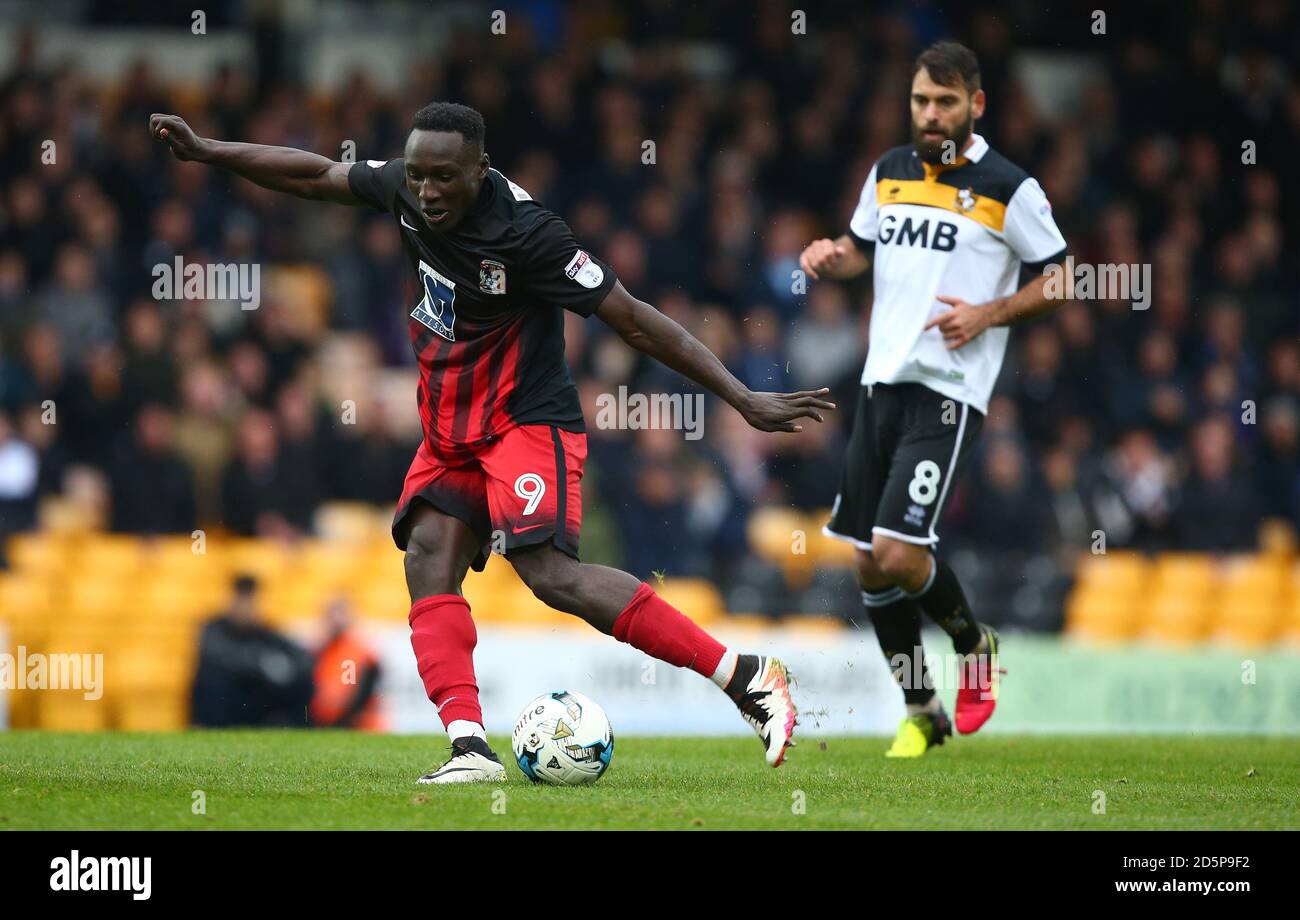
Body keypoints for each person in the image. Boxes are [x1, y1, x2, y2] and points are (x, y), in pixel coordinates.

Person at [152, 102, 833, 782]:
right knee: (426, 556)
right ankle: (470, 748)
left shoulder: (531, 234)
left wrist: (741, 396)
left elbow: (634, 320)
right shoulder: (409, 187)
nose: (427, 192)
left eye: (444, 178)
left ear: (481, 169)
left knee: (550, 577)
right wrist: (210, 149)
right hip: (451, 427)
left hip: (525, 422)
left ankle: (746, 677)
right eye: (418, 176)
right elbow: (317, 175)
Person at [799, 42, 1068, 757]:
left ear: (976, 105)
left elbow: (1062, 279)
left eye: (946, 102)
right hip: (880, 383)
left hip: (949, 390)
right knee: (865, 561)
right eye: (921, 100)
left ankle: (974, 644)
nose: (930, 113)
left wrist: (987, 314)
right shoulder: (888, 171)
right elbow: (860, 248)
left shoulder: (1011, 187)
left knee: (895, 548)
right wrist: (832, 255)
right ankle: (922, 708)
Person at [190, 574, 315, 728]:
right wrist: (262, 662)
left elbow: (303, 658)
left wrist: (283, 667)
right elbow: (220, 656)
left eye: (250, 601)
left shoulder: (264, 632)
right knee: (215, 679)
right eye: (241, 601)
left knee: (300, 682)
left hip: (255, 708)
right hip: (225, 708)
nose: (245, 608)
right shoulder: (214, 628)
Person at [309, 596, 385, 731]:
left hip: (357, 725)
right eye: (332, 614)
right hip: (331, 722)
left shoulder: (362, 653)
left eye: (340, 613)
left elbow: (359, 696)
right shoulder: (321, 651)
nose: (336, 620)